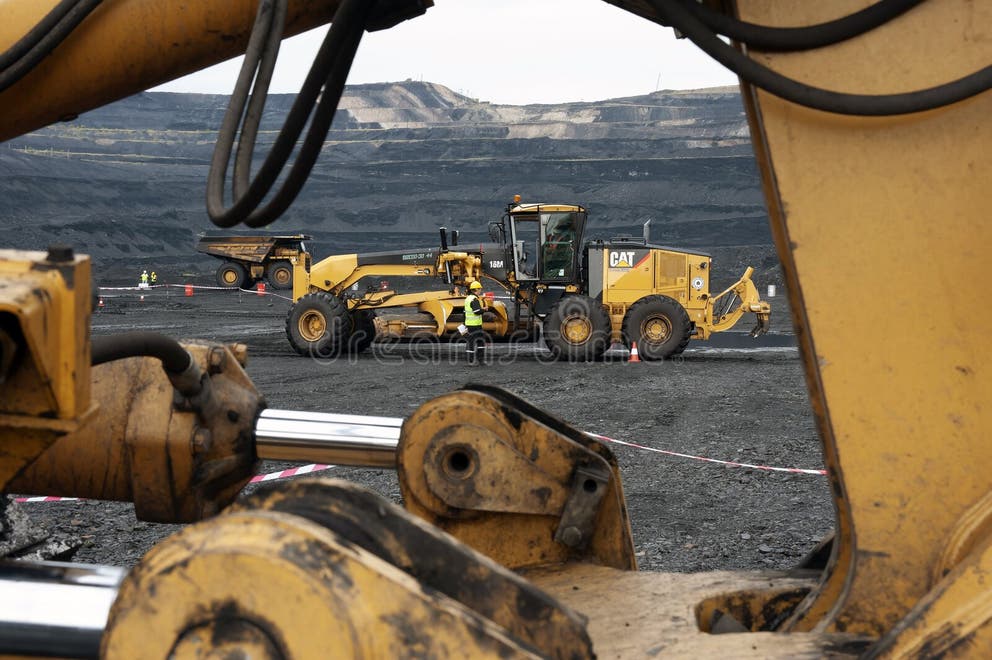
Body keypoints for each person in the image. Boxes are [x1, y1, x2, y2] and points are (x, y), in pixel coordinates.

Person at [463, 280, 486, 365]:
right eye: (479, 289)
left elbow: (464, 313)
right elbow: (477, 311)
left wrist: (464, 324)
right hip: (475, 325)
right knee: (480, 342)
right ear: (476, 289)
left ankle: (470, 361)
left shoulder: (468, 299)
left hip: (469, 325)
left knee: (471, 342)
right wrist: (484, 310)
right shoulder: (474, 299)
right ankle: (480, 360)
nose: (480, 290)